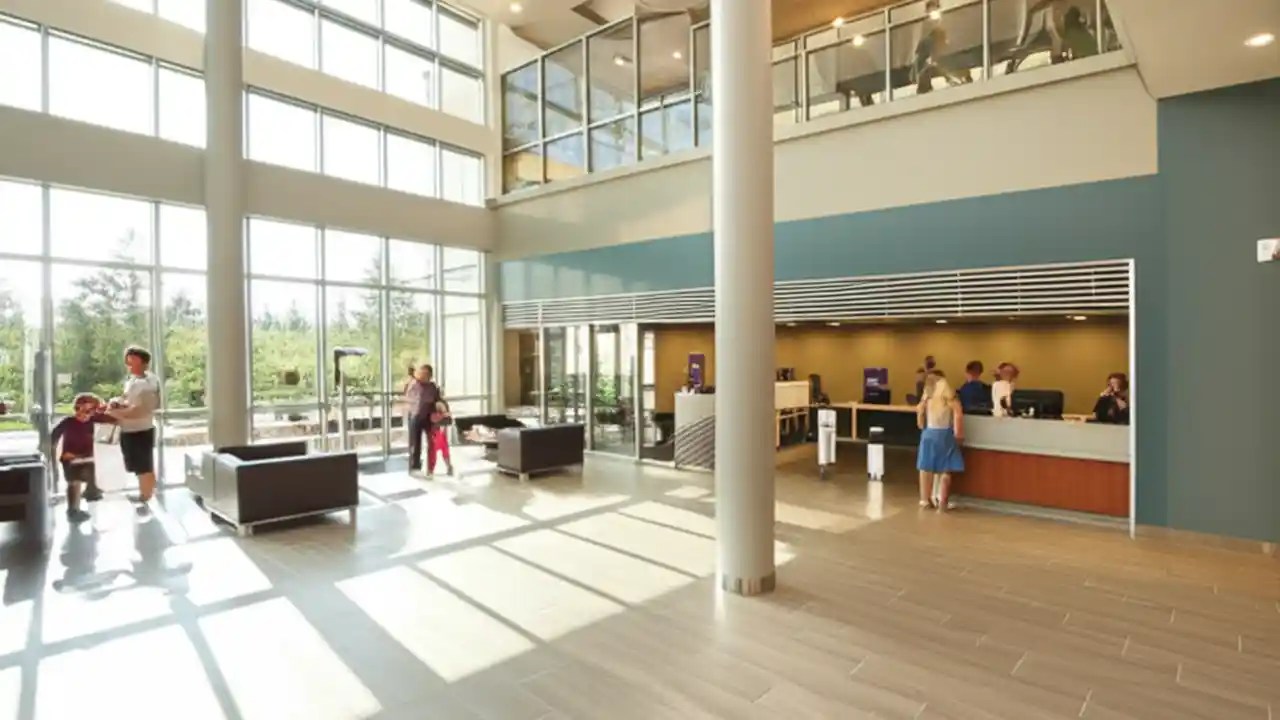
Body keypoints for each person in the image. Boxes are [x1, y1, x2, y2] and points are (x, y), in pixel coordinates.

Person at [105, 346, 161, 514]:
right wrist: (118, 403)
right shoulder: (133, 380)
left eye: (133, 360)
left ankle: (146, 495)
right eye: (128, 360)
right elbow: (129, 401)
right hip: (130, 429)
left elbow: (141, 409)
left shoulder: (148, 383)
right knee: (138, 464)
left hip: (140, 429)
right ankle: (144, 493)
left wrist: (115, 413)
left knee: (144, 465)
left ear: (144, 362)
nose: (129, 364)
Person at [50, 393, 112, 523]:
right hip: (70, 457)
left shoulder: (94, 421)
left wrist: (105, 409)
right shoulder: (68, 422)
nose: (82, 414)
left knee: (89, 473)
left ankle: (91, 491)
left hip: (88, 458)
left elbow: (112, 420)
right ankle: (73, 510)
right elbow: (53, 437)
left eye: (88, 411)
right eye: (78, 409)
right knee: (74, 481)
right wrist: (55, 454)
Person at [916, 372, 965, 511]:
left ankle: (924, 500)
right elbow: (958, 413)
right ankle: (942, 501)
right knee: (945, 468)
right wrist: (959, 433)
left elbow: (920, 422)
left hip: (928, 433)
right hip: (944, 434)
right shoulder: (946, 392)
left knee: (925, 467)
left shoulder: (927, 395)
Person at [405, 363, 442, 476]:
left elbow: (437, 400)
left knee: (431, 443)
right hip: (415, 417)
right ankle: (415, 465)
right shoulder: (413, 383)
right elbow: (408, 396)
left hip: (428, 417)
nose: (422, 375)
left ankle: (430, 467)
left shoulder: (433, 387)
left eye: (425, 374)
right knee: (415, 443)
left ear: (430, 375)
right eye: (421, 373)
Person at [427, 400, 454, 477]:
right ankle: (431, 470)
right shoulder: (432, 406)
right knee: (433, 452)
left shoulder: (443, 403)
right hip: (435, 432)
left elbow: (449, 419)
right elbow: (432, 418)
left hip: (441, 433)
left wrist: (446, 415)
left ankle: (449, 467)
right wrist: (443, 415)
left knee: (445, 450)